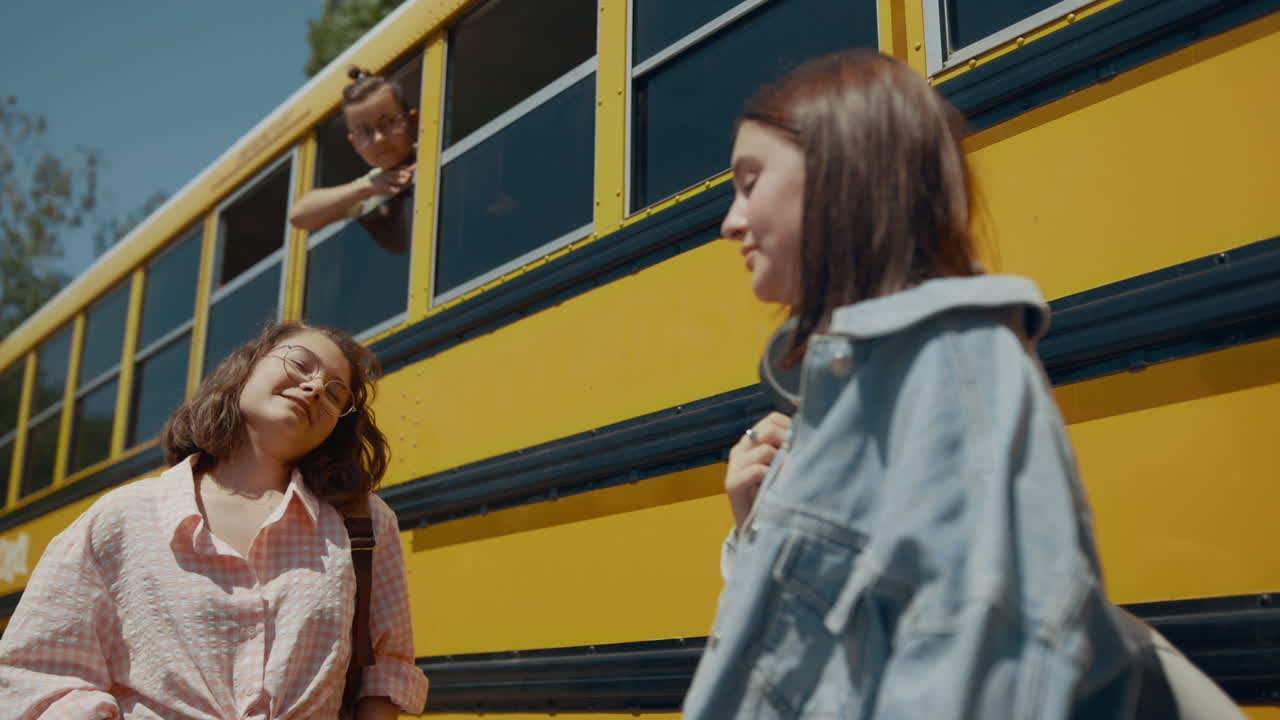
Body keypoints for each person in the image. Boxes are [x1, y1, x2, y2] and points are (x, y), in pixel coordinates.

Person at [684, 49, 1241, 718]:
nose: (729, 221)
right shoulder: (838, 408)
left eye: (749, 182)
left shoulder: (955, 364)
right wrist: (753, 529)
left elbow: (982, 650)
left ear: (840, 176)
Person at [0, 322, 429, 719]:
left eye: (336, 393)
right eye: (300, 363)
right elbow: (35, 673)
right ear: (244, 371)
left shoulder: (364, 523)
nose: (316, 385)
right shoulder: (124, 518)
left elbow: (386, 666)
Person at [289, 67, 417, 235]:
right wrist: (369, 187)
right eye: (365, 132)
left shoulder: (436, 151)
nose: (379, 138)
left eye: (388, 122)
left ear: (413, 120)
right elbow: (299, 215)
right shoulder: (369, 187)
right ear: (355, 144)